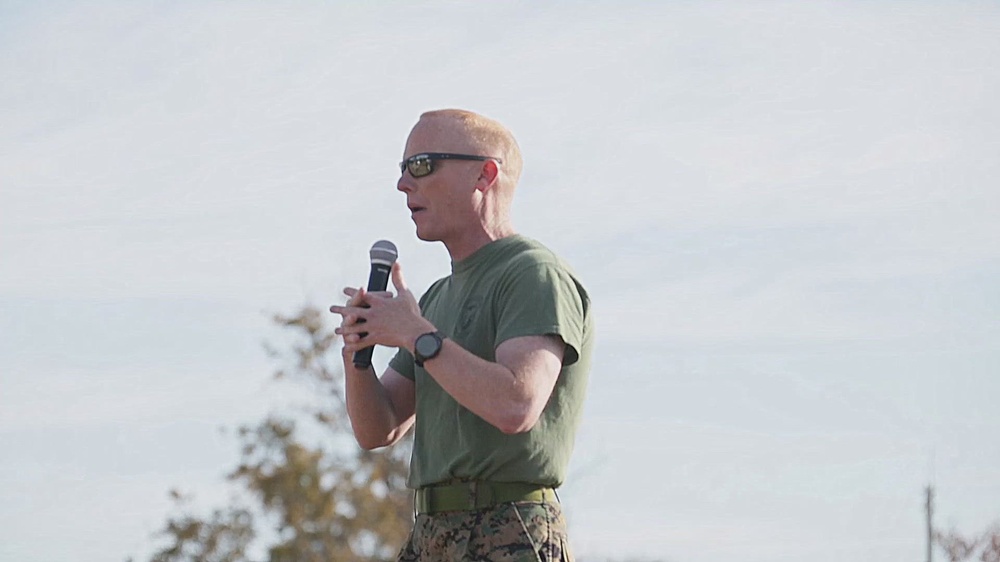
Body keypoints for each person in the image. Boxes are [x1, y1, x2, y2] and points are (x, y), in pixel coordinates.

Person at [329, 109, 593, 561]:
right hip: (431, 532)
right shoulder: (435, 299)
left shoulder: (533, 273)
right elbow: (378, 428)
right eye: (403, 169)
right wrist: (359, 355)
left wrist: (417, 335)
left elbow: (515, 405)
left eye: (422, 165)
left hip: (508, 529)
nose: (404, 184)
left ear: (484, 174)